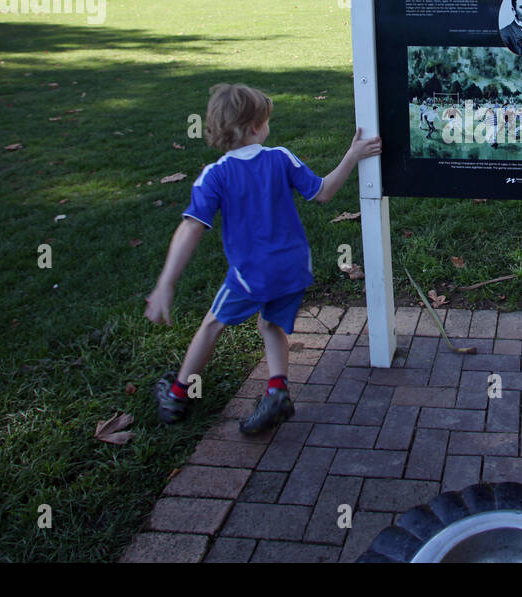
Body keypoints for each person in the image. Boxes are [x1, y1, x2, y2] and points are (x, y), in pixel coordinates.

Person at [143, 83, 381, 434]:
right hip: (294, 268)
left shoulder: (215, 175)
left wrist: (166, 283)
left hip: (250, 275)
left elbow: (191, 228)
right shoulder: (280, 157)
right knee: (270, 324)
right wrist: (352, 154)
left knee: (212, 324)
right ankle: (277, 391)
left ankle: (178, 394)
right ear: (255, 127)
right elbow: (324, 192)